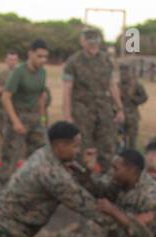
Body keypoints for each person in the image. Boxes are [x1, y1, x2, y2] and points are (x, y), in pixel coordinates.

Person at [62, 28, 122, 165]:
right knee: (81, 146)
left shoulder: (106, 60)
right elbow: (67, 90)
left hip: (104, 110)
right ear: (82, 42)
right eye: (89, 42)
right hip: (81, 111)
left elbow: (112, 85)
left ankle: (105, 179)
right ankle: (79, 178)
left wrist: (119, 108)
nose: (93, 45)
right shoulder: (73, 62)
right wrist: (67, 115)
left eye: (95, 42)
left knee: (108, 144)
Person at [0, 40, 50, 185]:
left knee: (40, 155)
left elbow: (41, 96)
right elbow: (6, 97)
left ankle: (32, 189)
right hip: (18, 116)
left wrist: (42, 119)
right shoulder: (18, 72)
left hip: (34, 118)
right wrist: (15, 122)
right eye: (39, 56)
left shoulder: (43, 73)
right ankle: (3, 193)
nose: (43, 60)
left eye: (45, 57)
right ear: (30, 54)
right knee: (10, 158)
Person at [118, 62, 148, 149]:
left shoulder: (136, 85)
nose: (123, 74)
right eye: (122, 72)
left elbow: (144, 97)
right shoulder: (117, 85)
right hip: (120, 116)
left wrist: (134, 99)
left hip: (132, 117)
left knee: (132, 140)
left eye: (125, 71)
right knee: (120, 141)